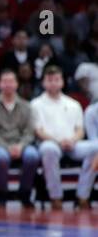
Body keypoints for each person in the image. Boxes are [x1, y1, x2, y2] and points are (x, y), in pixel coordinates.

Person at [31, 65, 98, 209]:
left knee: (96, 148)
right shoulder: (36, 104)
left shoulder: (73, 104)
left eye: (56, 79)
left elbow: (80, 130)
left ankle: (83, 195)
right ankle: (56, 197)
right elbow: (38, 131)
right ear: (43, 82)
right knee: (49, 150)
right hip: (49, 142)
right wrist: (58, 141)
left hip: (72, 143)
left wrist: (73, 140)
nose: (53, 83)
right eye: (49, 80)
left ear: (62, 82)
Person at [0, 68, 38, 207]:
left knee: (33, 156)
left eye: (11, 81)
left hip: (20, 144)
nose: (8, 84)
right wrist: (7, 147)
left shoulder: (26, 106)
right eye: (4, 81)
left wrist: (20, 146)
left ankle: (25, 192)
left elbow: (29, 132)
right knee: (1, 158)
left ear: (17, 84)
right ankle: (1, 192)